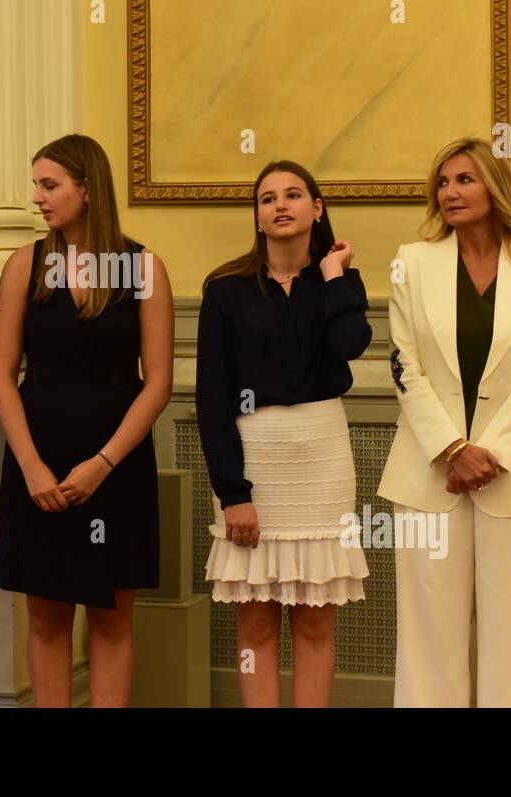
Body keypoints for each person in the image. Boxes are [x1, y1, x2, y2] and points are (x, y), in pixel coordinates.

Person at [378, 137, 511, 707]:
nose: (450, 192)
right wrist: (452, 449)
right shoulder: (411, 263)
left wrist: (491, 453)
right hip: (427, 473)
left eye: (464, 179)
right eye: (442, 182)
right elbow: (403, 364)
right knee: (428, 636)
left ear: (495, 186)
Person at [0, 134, 173, 707]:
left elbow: (160, 381)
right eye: (36, 186)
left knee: (112, 620)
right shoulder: (25, 264)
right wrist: (31, 467)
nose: (38, 199)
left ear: (88, 189)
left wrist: (102, 464)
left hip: (116, 462)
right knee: (46, 620)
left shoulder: (142, 266)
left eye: (50, 185)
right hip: (37, 457)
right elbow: (1, 374)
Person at [196, 160, 372, 708]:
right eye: (267, 197)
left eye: (293, 194)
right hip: (255, 466)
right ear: (257, 216)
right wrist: (234, 493)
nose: (280, 205)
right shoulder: (226, 289)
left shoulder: (337, 284)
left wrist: (335, 272)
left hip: (322, 462)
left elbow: (350, 345)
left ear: (316, 208)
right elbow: (211, 397)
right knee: (256, 626)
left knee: (317, 626)